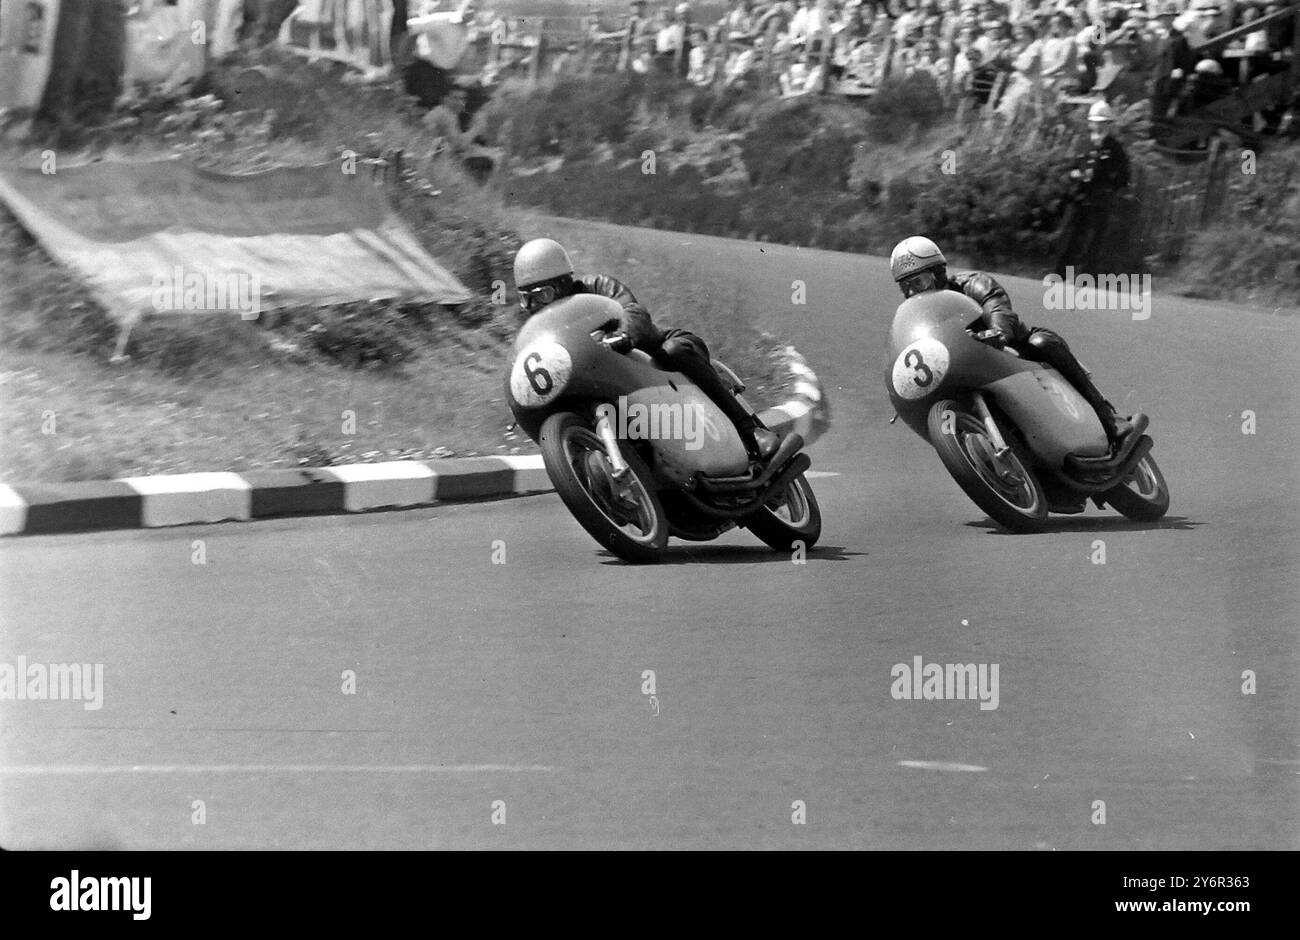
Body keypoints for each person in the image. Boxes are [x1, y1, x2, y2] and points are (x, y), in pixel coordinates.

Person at [512, 239, 781, 460]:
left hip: (652, 354)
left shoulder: (598, 287)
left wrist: (624, 335)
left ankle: (750, 431)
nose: (535, 304)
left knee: (675, 349)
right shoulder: (540, 331)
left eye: (543, 294)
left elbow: (632, 310)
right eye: (527, 298)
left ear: (563, 283)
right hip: (606, 383)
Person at [889, 235, 1143, 445]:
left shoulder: (973, 283)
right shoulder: (922, 317)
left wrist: (998, 333)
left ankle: (1109, 418)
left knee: (1042, 343)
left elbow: (998, 307)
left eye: (918, 282)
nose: (913, 292)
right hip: (969, 371)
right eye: (906, 288)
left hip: (1015, 352)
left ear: (938, 272)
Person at [1054, 99, 1129, 279]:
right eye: (1095, 122)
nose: (1098, 126)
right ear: (1090, 122)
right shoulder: (1082, 143)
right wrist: (1075, 175)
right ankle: (1060, 275)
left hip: (1100, 200)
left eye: (1103, 123)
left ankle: (1086, 278)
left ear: (1109, 125)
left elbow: (1124, 177)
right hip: (1079, 196)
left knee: (1094, 240)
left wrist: (1108, 185)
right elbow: (1069, 167)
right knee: (1070, 236)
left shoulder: (1115, 149)